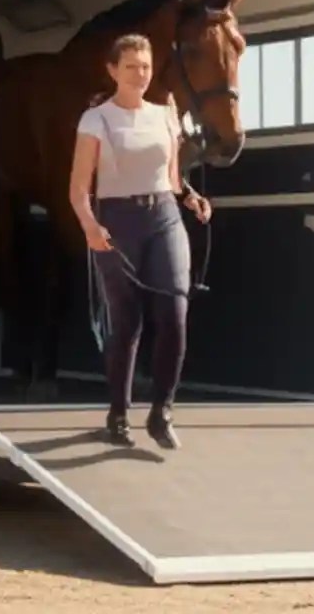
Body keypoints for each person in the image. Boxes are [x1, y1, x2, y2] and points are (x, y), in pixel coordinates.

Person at [68, 33, 212, 450]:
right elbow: (78, 187)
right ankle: (118, 412)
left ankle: (162, 410)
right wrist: (90, 227)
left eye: (146, 66)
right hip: (117, 219)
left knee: (175, 311)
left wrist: (190, 196)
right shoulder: (96, 119)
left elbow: (169, 175)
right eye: (130, 66)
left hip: (164, 214)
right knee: (127, 321)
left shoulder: (165, 114)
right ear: (113, 70)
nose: (139, 74)